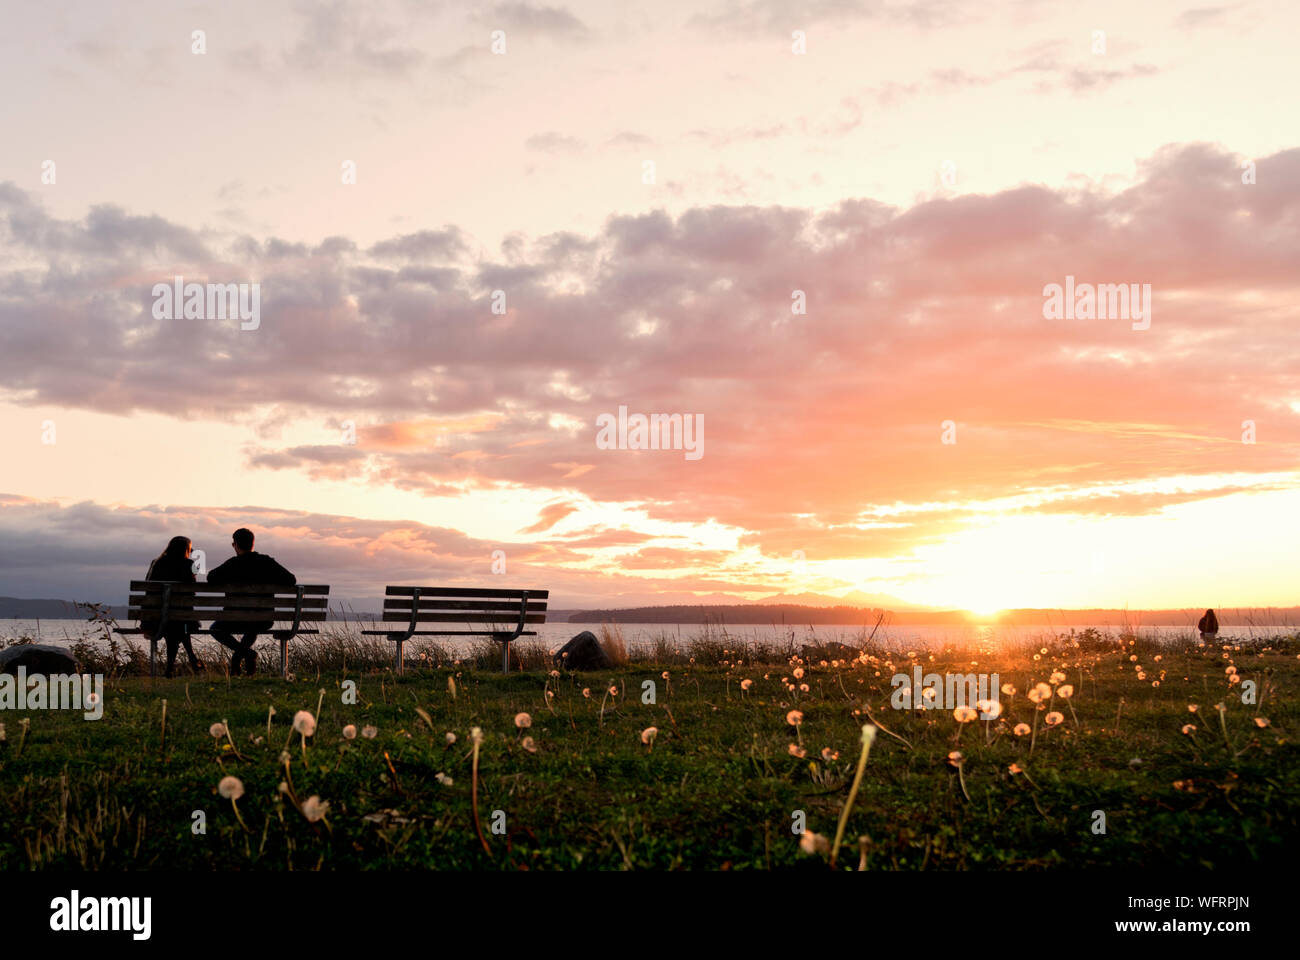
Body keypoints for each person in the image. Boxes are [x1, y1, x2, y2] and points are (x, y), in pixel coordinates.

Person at [206, 528, 296, 676]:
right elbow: (291, 580)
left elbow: (211, 578)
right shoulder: (267, 562)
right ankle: (244, 655)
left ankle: (243, 654)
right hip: (264, 619)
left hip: (234, 619)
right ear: (252, 544)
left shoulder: (232, 564)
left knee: (215, 629)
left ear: (235, 545)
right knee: (253, 625)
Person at [142, 536, 205, 678]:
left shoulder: (156, 563)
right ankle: (190, 659)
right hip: (181, 619)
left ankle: (173, 668)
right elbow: (192, 593)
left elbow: (148, 590)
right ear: (186, 550)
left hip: (154, 618)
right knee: (179, 624)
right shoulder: (189, 564)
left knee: (174, 626)